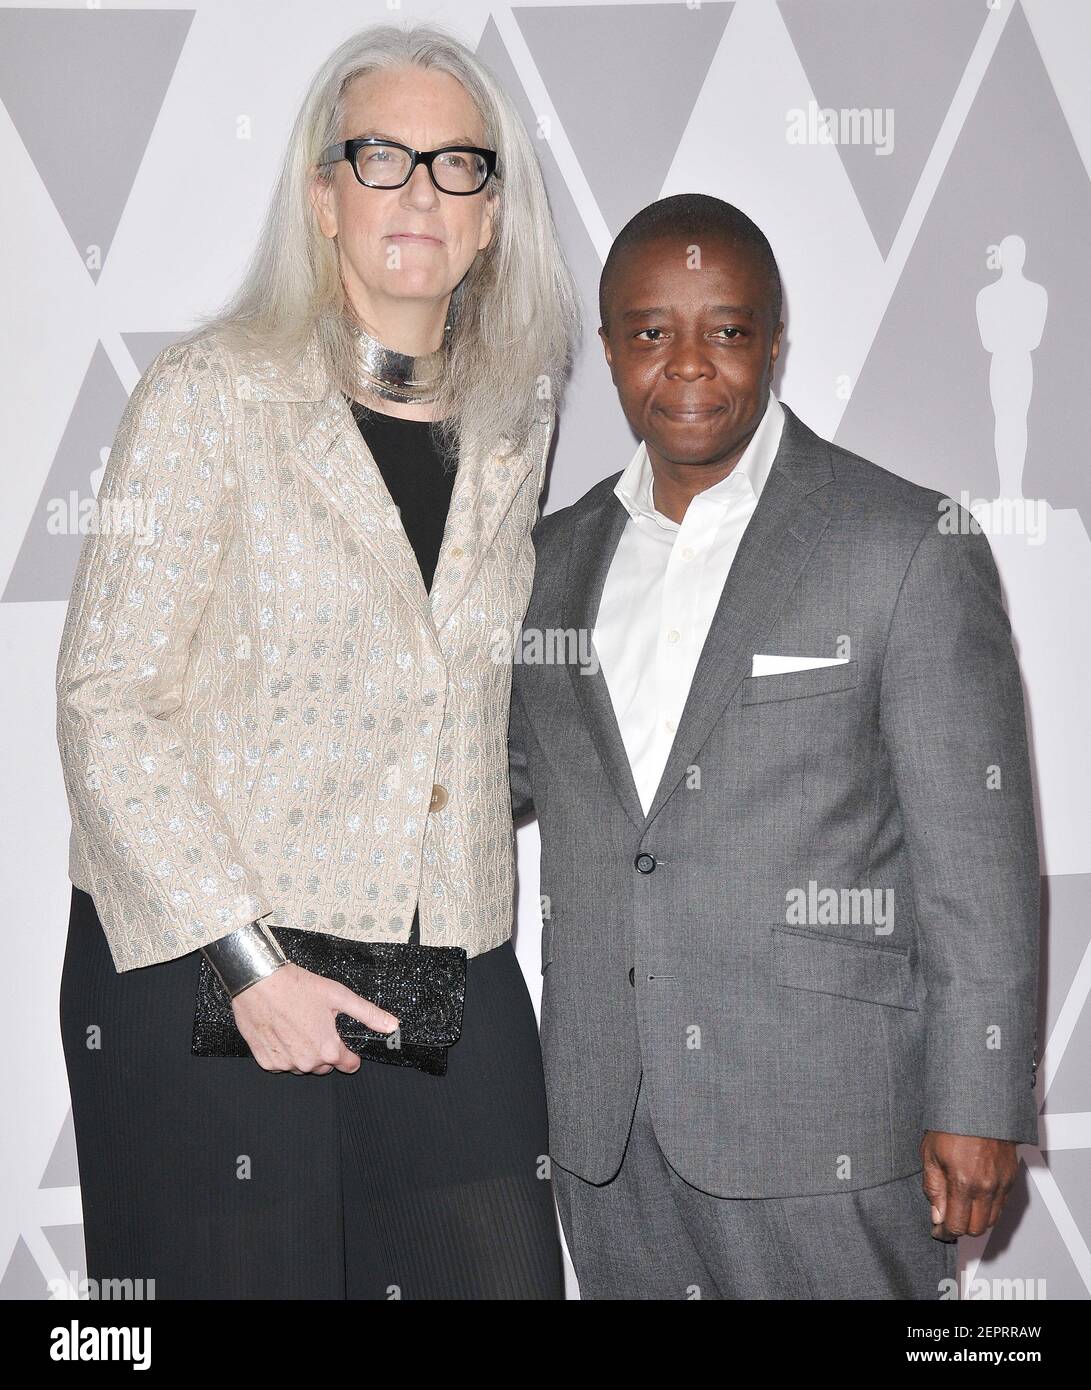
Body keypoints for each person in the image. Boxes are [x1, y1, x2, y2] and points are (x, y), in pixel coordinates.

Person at [56, 21, 579, 1300]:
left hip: (439, 959)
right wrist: (247, 963)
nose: (419, 191)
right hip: (214, 963)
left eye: (459, 165)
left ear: (493, 215)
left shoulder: (516, 423)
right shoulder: (210, 395)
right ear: (323, 196)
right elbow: (105, 704)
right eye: (382, 157)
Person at [507, 193, 1040, 1299]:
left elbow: (975, 865)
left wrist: (979, 1098)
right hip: (606, 1131)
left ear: (774, 340)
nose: (689, 365)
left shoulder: (899, 543)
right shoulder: (545, 567)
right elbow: (480, 788)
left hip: (825, 1127)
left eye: (728, 329)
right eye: (650, 332)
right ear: (606, 351)